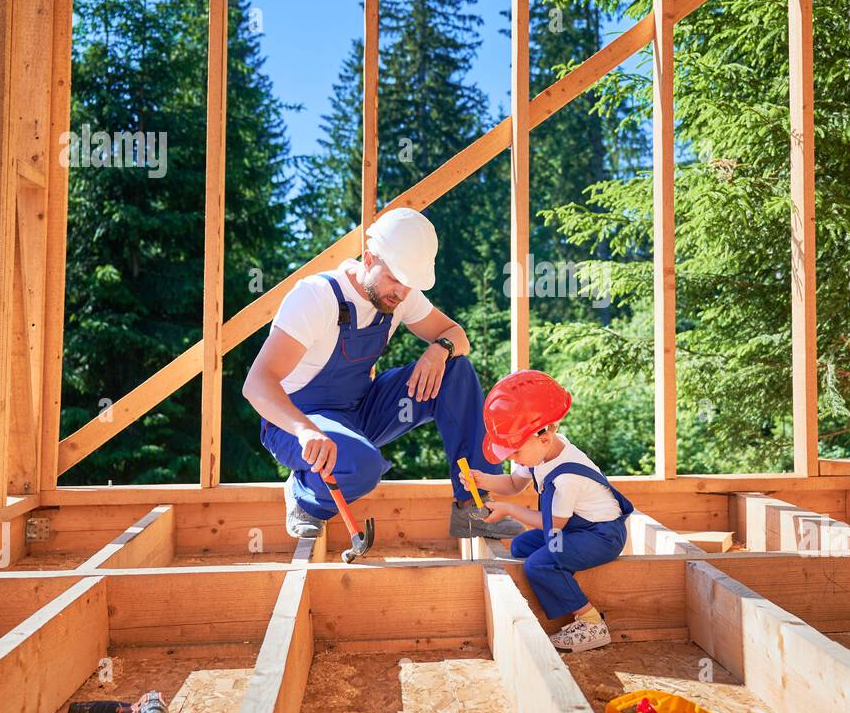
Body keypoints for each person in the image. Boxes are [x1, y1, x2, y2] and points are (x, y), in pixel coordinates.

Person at [242, 207, 525, 541]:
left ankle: (473, 506)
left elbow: (456, 334)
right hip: (298, 421)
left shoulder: (400, 294)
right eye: (394, 279)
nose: (402, 293)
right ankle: (304, 496)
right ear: (368, 259)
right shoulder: (316, 297)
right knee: (364, 466)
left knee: (455, 370)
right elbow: (257, 383)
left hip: (360, 411)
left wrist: (440, 349)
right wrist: (305, 431)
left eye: (409, 284)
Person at [468, 370, 633, 652]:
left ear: (543, 437)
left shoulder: (566, 477)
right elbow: (511, 484)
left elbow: (551, 524)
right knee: (521, 545)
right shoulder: (537, 451)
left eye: (514, 452)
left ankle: (591, 624)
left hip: (601, 536)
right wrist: (483, 479)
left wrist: (509, 510)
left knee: (539, 564)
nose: (512, 458)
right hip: (573, 529)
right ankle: (557, 583)